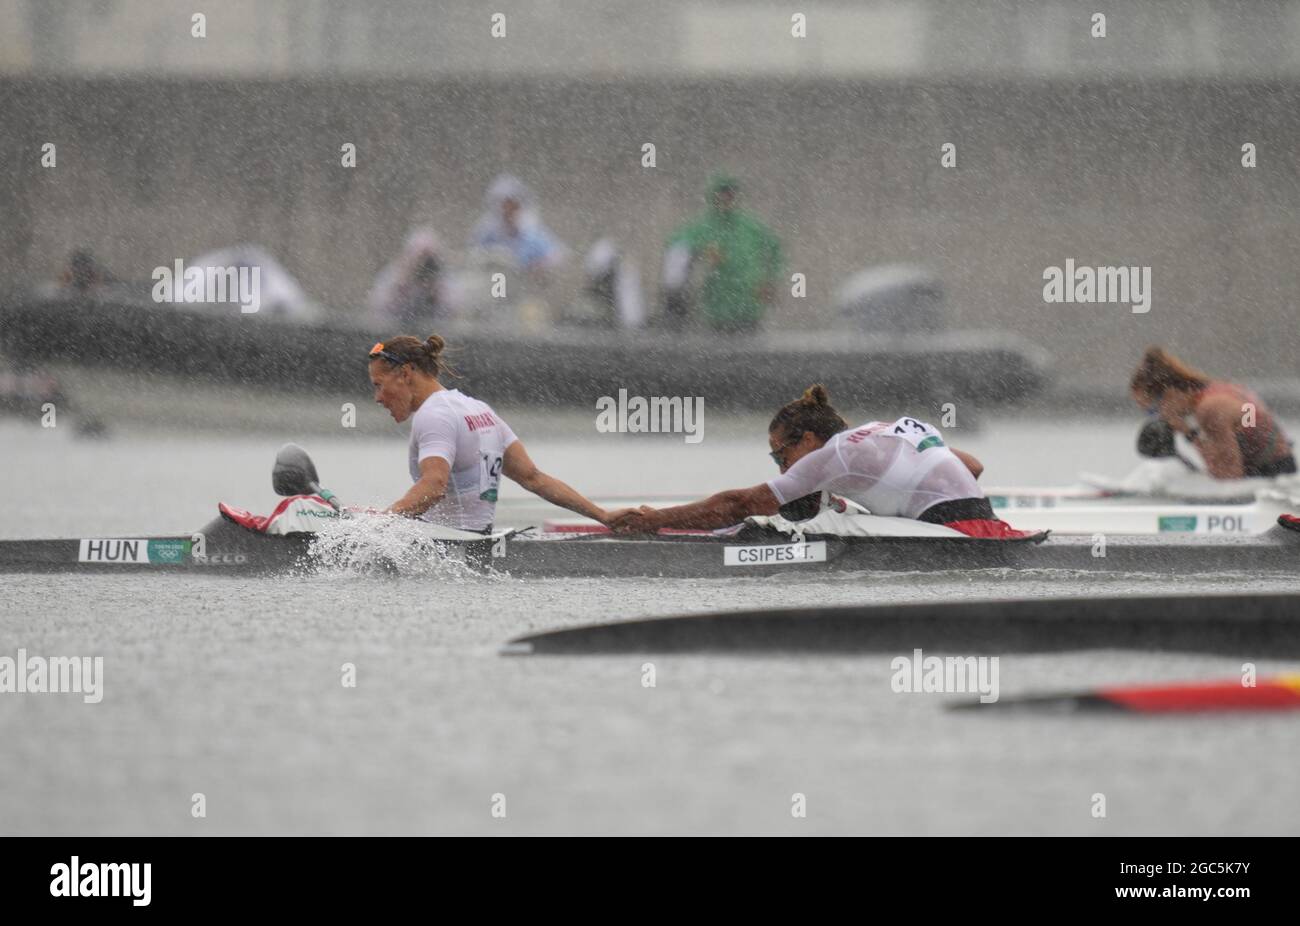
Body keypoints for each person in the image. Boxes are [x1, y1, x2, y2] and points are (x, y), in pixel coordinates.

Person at [610, 385, 1029, 538]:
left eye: (781, 453)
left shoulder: (833, 455)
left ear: (808, 439)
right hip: (988, 522)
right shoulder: (886, 427)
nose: (780, 466)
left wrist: (655, 520)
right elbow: (972, 466)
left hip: (954, 532)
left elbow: (741, 504)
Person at [367, 334, 620, 531]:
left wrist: (382, 522)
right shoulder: (480, 409)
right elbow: (534, 478)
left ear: (405, 373)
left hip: (448, 552)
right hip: (480, 538)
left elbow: (434, 485)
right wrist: (603, 516)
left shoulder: (433, 415)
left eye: (379, 385)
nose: (377, 398)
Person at [1129, 346, 1296, 479]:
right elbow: (1250, 429)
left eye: (1153, 410)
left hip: (1270, 475)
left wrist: (1190, 434)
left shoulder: (1210, 410)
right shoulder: (1220, 390)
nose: (1160, 417)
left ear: (1170, 393)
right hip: (1280, 468)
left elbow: (1230, 475)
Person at [662, 173, 783, 332]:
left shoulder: (751, 226)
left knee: (752, 352)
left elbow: (776, 249)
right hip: (717, 309)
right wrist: (701, 253)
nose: (727, 197)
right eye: (722, 193)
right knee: (720, 352)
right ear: (714, 195)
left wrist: (771, 280)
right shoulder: (702, 227)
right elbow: (675, 247)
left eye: (731, 193)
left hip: (750, 307)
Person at [469, 174, 567, 278]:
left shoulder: (531, 231)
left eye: (513, 205)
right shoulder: (488, 230)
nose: (508, 210)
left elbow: (556, 255)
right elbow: (474, 256)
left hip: (523, 283)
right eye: (504, 205)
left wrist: (537, 267)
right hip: (495, 284)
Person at [368, 227, 461, 326]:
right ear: (407, 255)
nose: (425, 264)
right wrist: (401, 284)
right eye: (420, 257)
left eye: (429, 257)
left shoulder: (444, 278)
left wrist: (437, 291)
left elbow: (455, 309)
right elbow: (377, 307)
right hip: (396, 331)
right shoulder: (394, 273)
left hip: (435, 332)